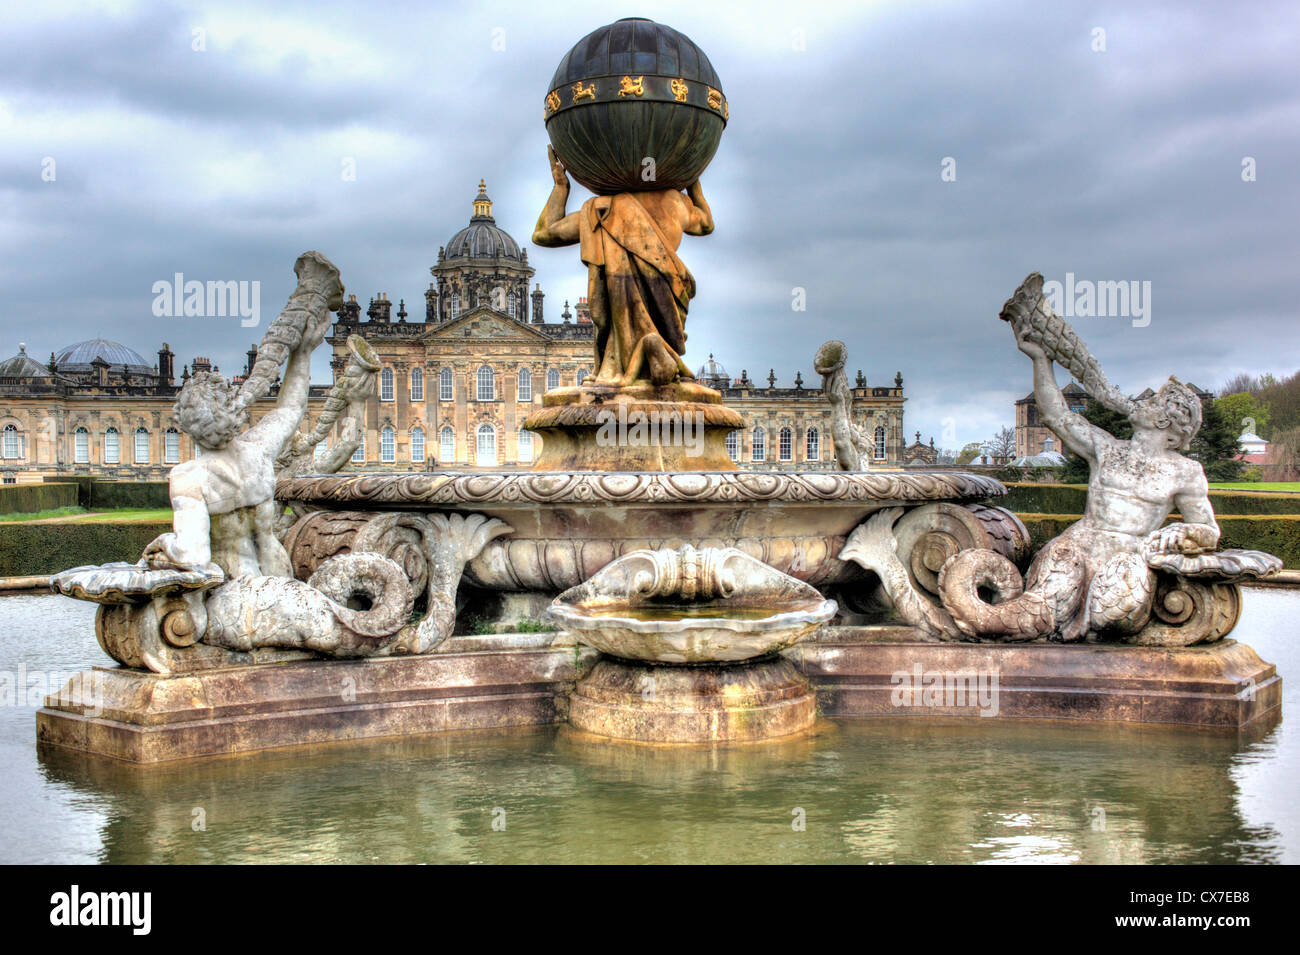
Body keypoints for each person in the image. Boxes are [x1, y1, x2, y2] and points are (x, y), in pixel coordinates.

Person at [533, 147, 713, 387]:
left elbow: (543, 234)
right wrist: (694, 182)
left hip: (617, 308)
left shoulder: (602, 210)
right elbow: (706, 224)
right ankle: (655, 349)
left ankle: (632, 358)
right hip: (669, 301)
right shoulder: (676, 204)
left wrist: (560, 188)